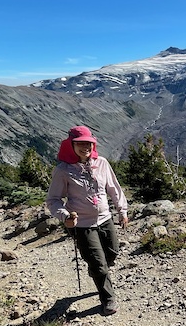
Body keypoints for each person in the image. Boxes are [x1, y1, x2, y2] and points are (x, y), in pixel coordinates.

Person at [46, 126, 129, 315]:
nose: (85, 147)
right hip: (82, 224)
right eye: (80, 143)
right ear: (71, 145)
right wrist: (65, 216)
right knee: (99, 264)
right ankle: (108, 299)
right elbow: (53, 200)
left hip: (105, 218)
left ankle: (96, 269)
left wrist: (122, 211)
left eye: (89, 143)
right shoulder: (63, 170)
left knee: (113, 252)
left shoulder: (102, 163)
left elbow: (113, 188)